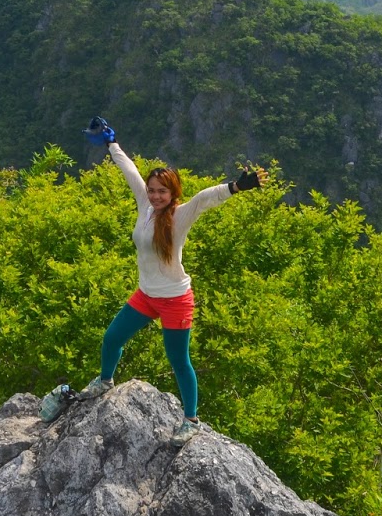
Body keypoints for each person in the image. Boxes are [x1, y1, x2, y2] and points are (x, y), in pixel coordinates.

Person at [81, 116, 264, 446]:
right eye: (152, 190)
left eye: (161, 191)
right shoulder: (145, 205)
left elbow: (205, 198)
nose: (155, 196)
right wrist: (112, 144)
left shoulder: (181, 214)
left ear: (173, 192)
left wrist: (235, 188)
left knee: (179, 361)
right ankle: (105, 380)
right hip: (146, 295)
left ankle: (191, 420)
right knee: (111, 339)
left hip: (175, 299)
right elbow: (130, 171)